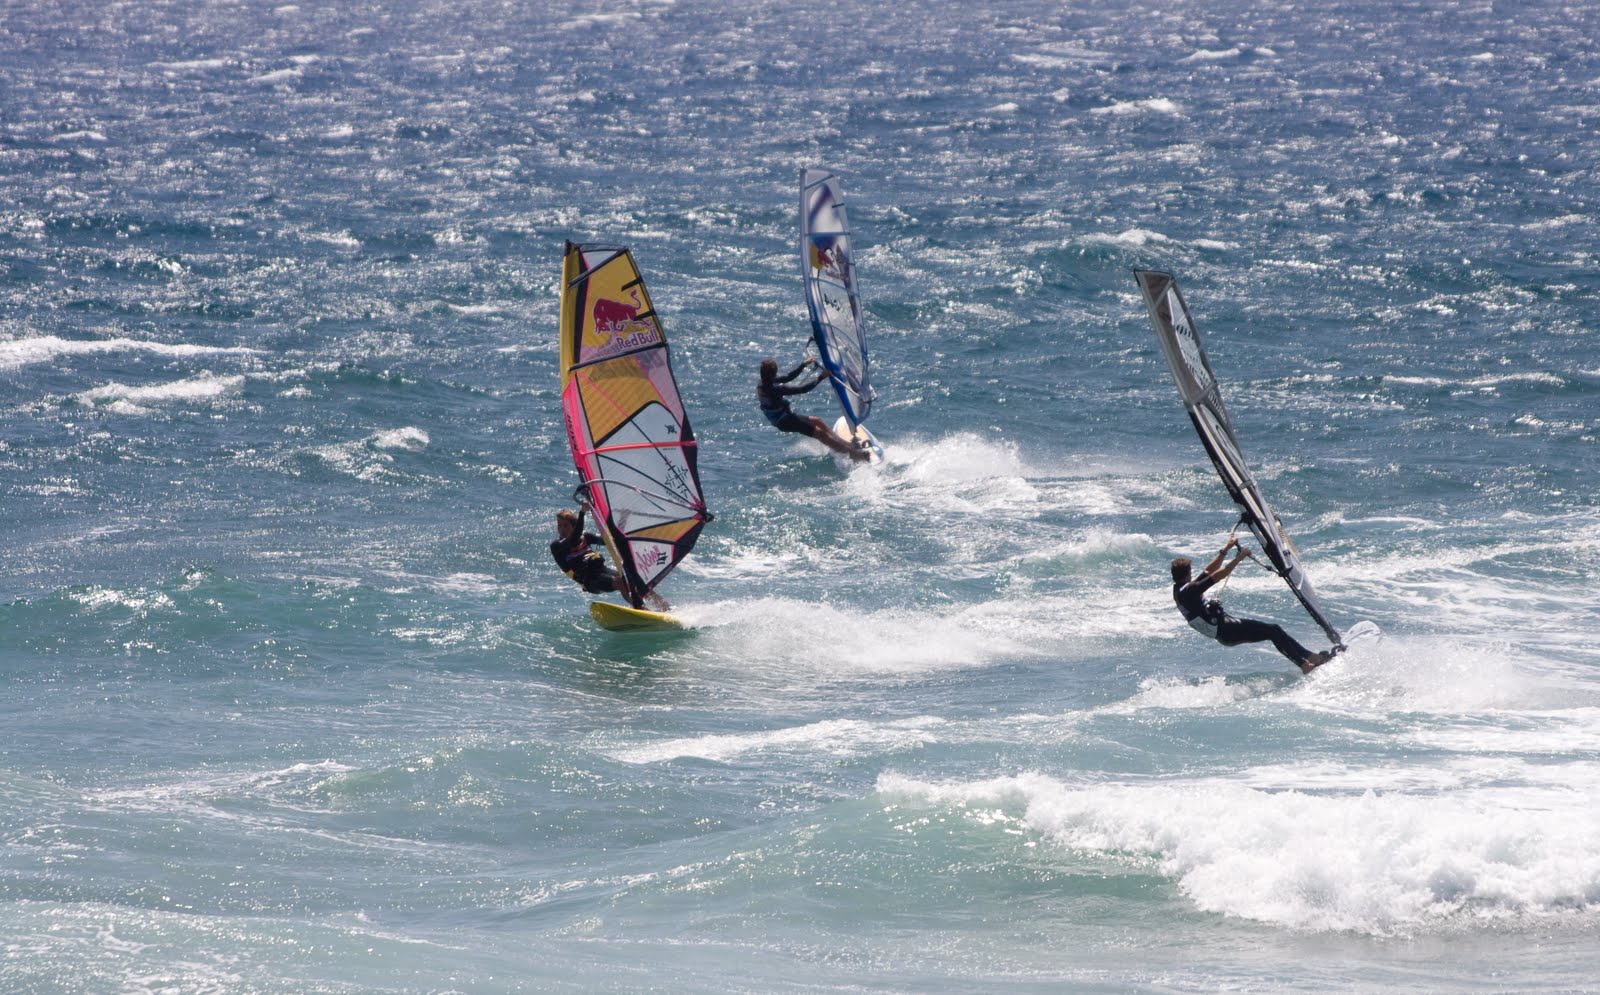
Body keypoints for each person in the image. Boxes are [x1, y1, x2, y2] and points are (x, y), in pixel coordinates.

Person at [1170, 536, 1337, 673]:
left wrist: (1226, 549)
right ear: (1187, 574)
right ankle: (1305, 664)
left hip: (1224, 631)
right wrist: (1239, 558)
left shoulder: (1179, 590)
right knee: (1273, 631)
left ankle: (1308, 659)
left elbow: (1208, 571)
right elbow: (1219, 575)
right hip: (1226, 629)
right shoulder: (1189, 590)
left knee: (1273, 630)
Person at [550, 503, 670, 611]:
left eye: (565, 526)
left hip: (601, 571)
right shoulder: (557, 546)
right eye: (559, 526)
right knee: (620, 582)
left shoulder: (586, 537)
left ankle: (664, 606)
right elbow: (574, 538)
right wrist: (582, 513)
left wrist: (623, 518)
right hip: (589, 581)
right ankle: (640, 608)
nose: (562, 529)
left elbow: (609, 540)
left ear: (574, 526)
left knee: (632, 578)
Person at [758, 357, 869, 461]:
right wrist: (820, 377)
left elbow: (788, 377)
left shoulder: (765, 381)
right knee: (820, 434)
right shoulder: (774, 389)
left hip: (786, 417)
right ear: (772, 374)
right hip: (784, 421)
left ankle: (845, 444)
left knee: (817, 421)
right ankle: (853, 454)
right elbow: (803, 389)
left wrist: (803, 364)